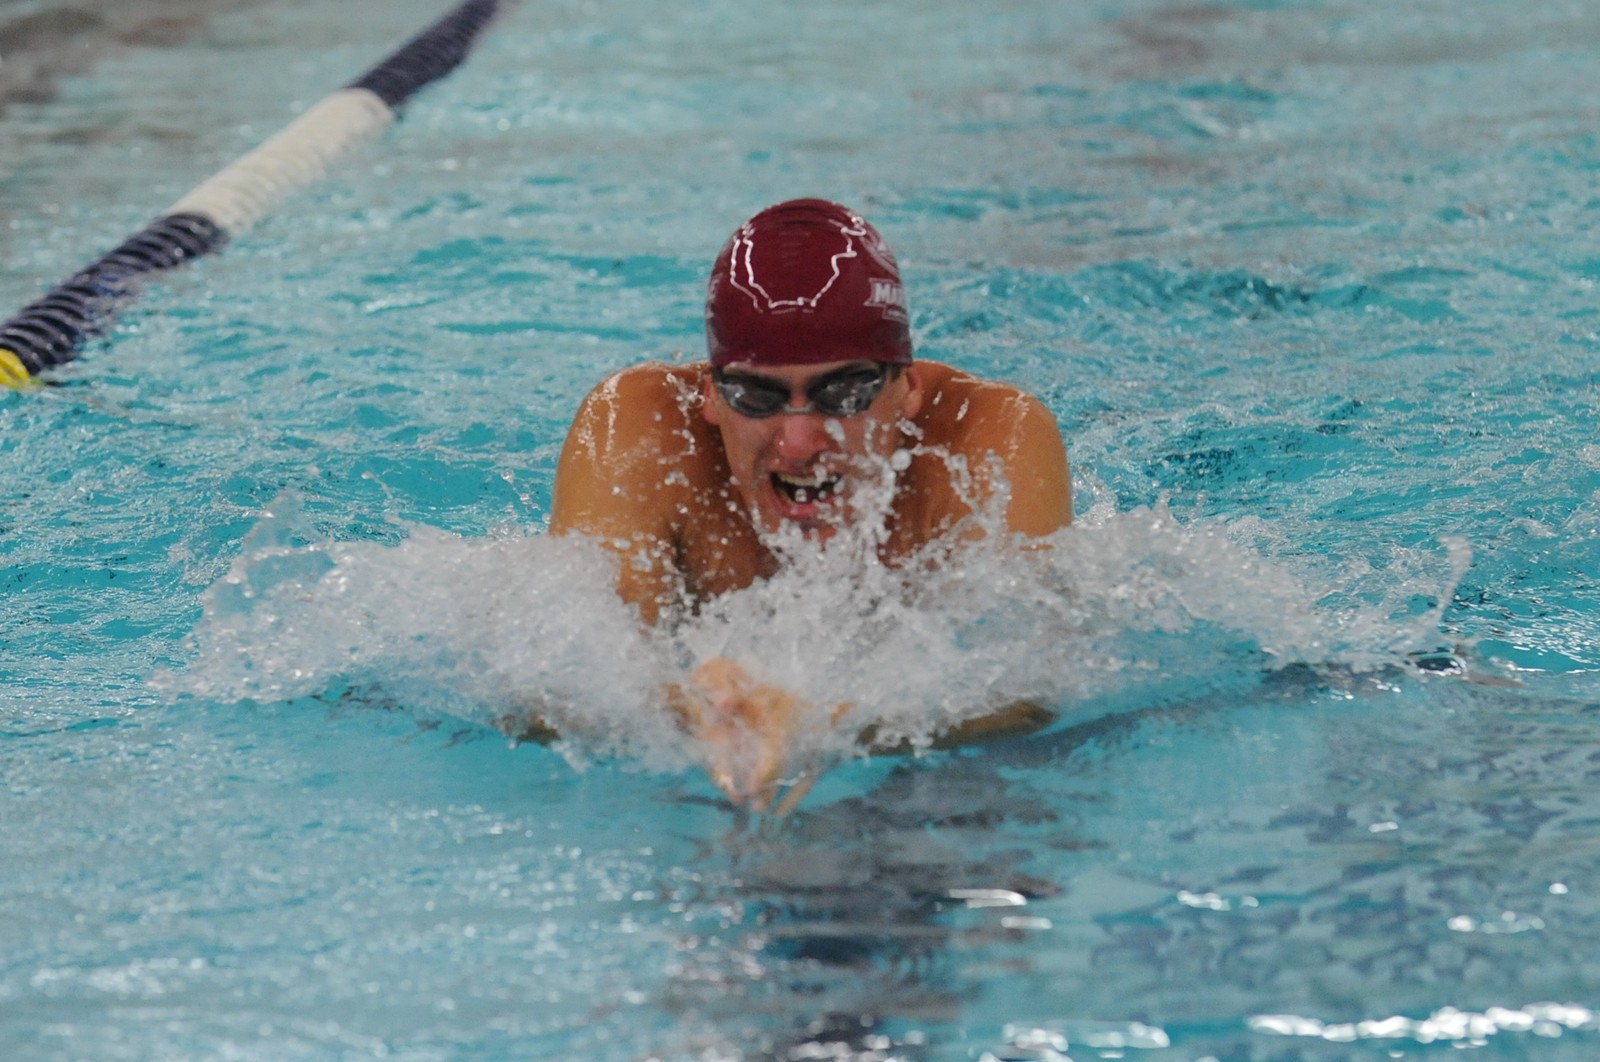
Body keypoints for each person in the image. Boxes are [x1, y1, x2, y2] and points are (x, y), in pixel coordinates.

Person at [547, 198, 1072, 808]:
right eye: (755, 394)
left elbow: (1031, 682)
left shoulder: (988, 438)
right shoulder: (638, 432)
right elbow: (558, 678)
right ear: (711, 395)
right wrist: (693, 710)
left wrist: (824, 723)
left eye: (844, 391)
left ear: (906, 386)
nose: (799, 444)